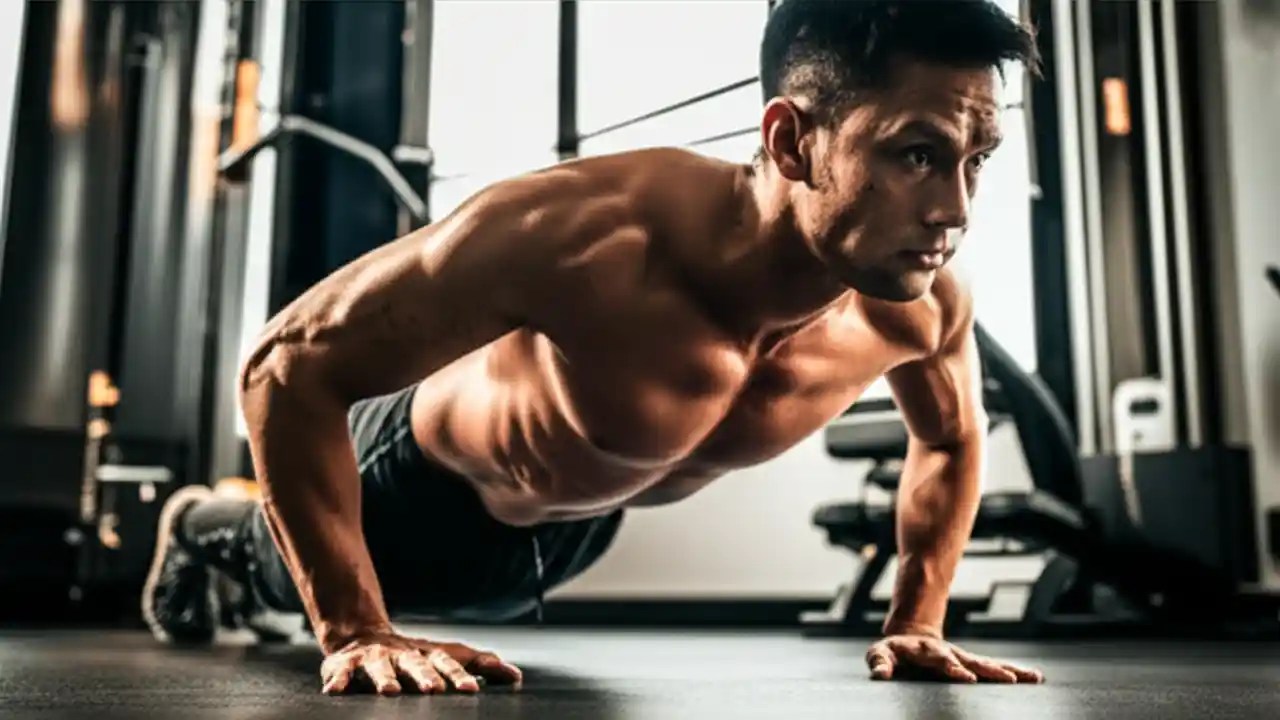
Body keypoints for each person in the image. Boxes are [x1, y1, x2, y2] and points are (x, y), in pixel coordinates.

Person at [143, 0, 1046, 695]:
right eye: (917, 156)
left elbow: (953, 437)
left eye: (977, 160)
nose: (955, 212)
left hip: (576, 532)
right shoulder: (587, 235)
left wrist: (917, 619)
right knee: (273, 573)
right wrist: (353, 630)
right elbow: (284, 365)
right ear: (791, 139)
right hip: (412, 495)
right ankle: (199, 524)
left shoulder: (917, 310)